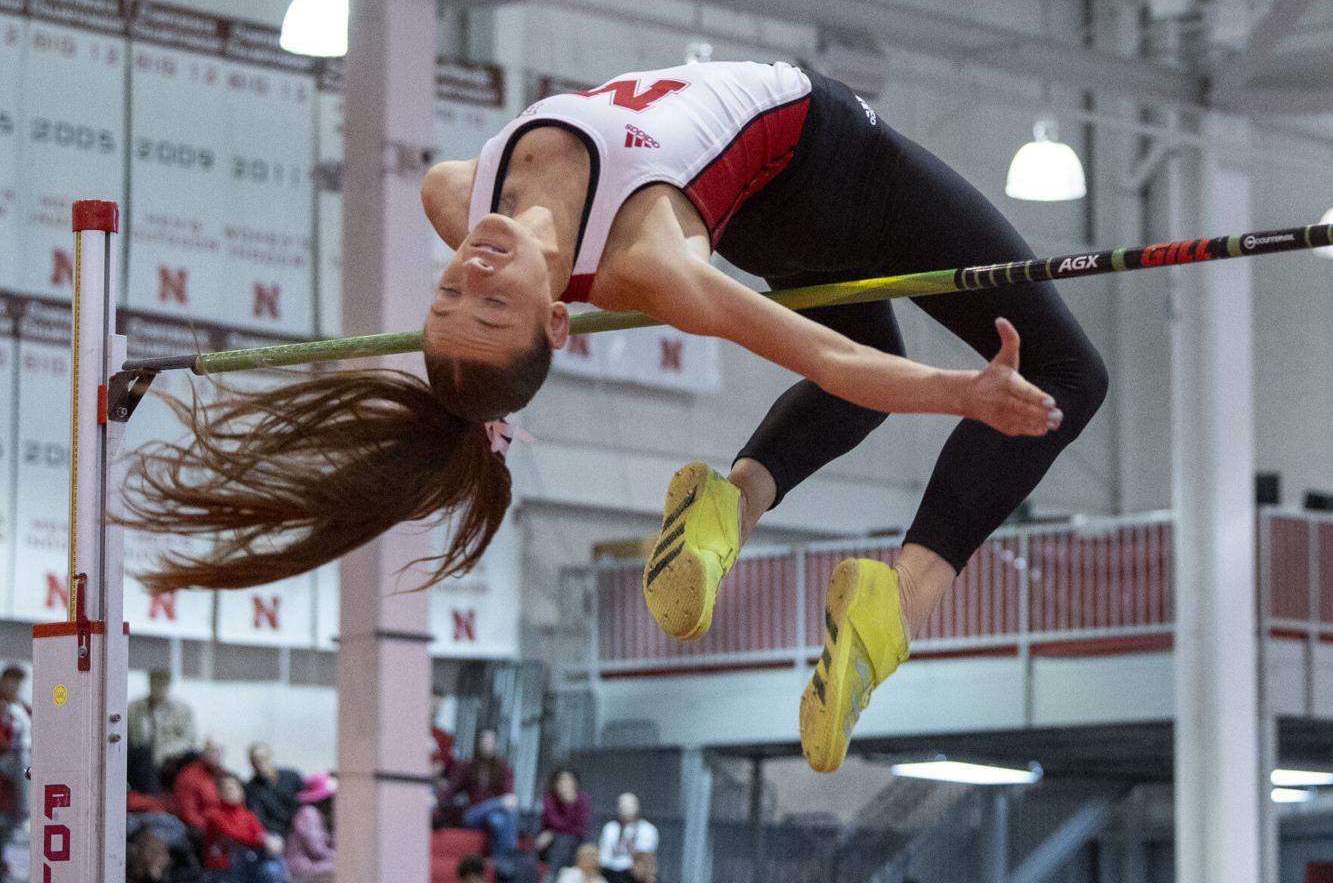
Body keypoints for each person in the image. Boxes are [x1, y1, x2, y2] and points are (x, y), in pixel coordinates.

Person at [122, 62, 1105, 773]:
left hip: (758, 205)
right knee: (1069, 374)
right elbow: (823, 357)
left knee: (876, 358)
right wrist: (961, 393)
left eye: (451, 297)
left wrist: (498, 343)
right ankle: (897, 610)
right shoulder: (647, 261)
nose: (472, 272)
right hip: (833, 156)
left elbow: (849, 361)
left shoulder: (454, 197)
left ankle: (729, 509)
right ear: (559, 316)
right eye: (495, 304)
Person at [440, 728, 520, 856]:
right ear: (478, 742)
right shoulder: (467, 766)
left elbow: (508, 793)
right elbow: (449, 791)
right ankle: (511, 855)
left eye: (491, 741)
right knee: (508, 803)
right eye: (484, 740)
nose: (487, 744)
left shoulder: (503, 769)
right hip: (472, 815)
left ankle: (501, 863)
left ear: (496, 744)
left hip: (491, 816)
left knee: (497, 821)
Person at [202, 772, 285, 882]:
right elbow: (236, 836)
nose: (231, 792)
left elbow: (261, 833)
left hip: (249, 864)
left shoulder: (248, 815)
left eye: (235, 788)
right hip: (225, 868)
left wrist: (272, 841)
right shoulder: (215, 815)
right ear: (219, 793)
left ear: (242, 791)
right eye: (227, 789)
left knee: (272, 862)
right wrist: (265, 841)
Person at [127, 669, 197, 793]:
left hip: (171, 758)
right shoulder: (135, 708)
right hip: (142, 759)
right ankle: (149, 798)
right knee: (141, 755)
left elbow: (188, 740)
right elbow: (130, 738)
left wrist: (163, 753)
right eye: (156, 683)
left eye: (163, 684)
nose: (159, 688)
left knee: (194, 757)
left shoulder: (181, 709)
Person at [0, 665, 29, 881]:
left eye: (18, 682)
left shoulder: (25, 709)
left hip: (21, 790)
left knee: (13, 839)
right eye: (11, 681)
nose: (14, 686)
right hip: (4, 787)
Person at [536, 768, 590, 882]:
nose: (565, 784)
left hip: (574, 844)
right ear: (555, 783)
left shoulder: (582, 799)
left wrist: (569, 805)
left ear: (575, 783)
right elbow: (552, 821)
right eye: (561, 780)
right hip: (549, 845)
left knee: (564, 840)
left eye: (569, 781)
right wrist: (555, 832)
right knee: (560, 841)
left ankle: (551, 877)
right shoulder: (549, 797)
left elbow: (580, 829)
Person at [284, 771, 337, 883]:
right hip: (301, 867)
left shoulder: (318, 814)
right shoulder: (309, 813)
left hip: (310, 865)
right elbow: (316, 849)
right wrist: (338, 855)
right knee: (341, 866)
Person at [245, 742, 303, 838]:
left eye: (264, 758)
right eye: (256, 760)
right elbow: (259, 820)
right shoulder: (251, 789)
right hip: (277, 836)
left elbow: (307, 802)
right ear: (251, 763)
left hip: (301, 828)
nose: (260, 762)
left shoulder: (292, 777)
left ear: (271, 757)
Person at [598, 793, 657, 883]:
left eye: (630, 805)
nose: (627, 809)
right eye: (623, 806)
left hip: (635, 872)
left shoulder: (647, 829)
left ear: (637, 807)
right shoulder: (610, 828)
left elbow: (644, 856)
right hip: (610, 872)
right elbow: (604, 855)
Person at [172, 734, 225, 832]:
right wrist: (214, 830)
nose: (216, 754)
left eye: (219, 750)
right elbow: (188, 814)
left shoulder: (224, 774)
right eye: (211, 750)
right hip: (201, 830)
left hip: (225, 828)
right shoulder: (188, 776)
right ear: (203, 752)